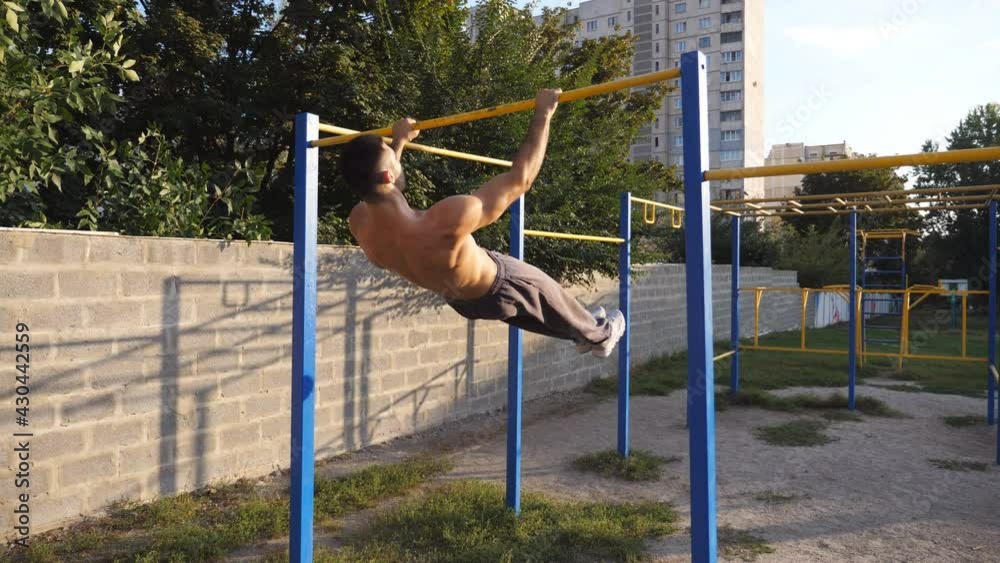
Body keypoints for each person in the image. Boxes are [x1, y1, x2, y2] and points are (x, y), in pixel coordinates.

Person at [339, 89, 625, 357]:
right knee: (547, 295)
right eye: (391, 153)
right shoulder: (442, 221)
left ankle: (584, 334)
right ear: (389, 175)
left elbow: (383, 188)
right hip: (502, 283)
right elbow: (520, 180)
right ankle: (602, 335)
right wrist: (543, 114)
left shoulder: (361, 225)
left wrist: (399, 144)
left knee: (541, 312)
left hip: (462, 302)